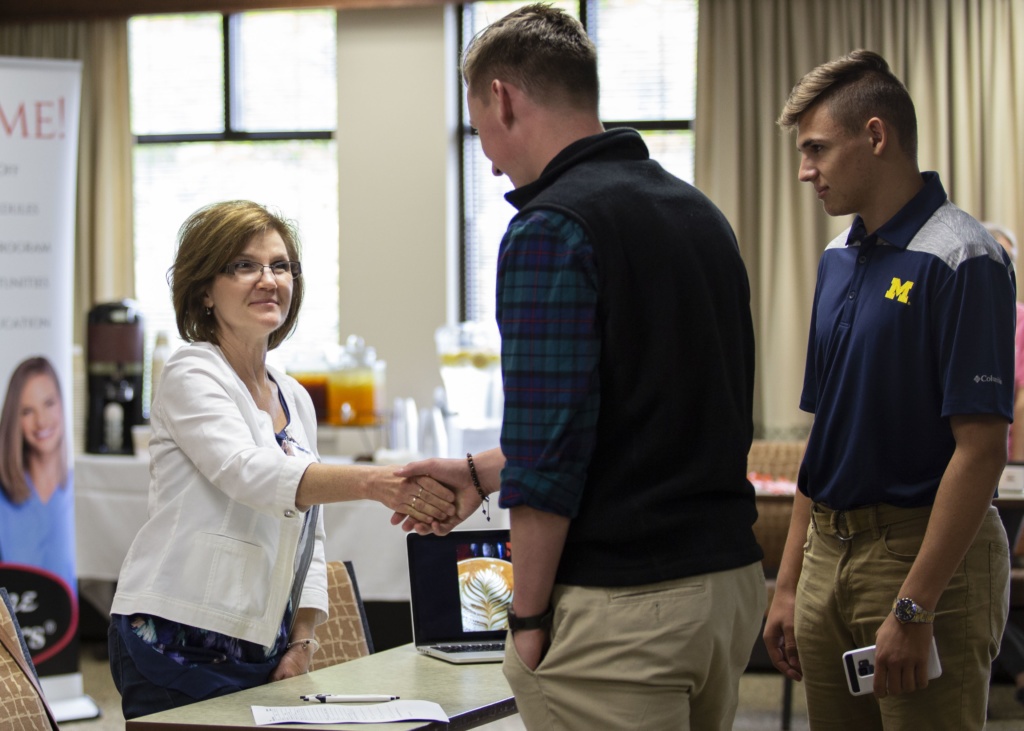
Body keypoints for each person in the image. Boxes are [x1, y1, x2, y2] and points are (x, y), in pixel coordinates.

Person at [393, 6, 765, 729]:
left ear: (502, 97)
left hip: (624, 604)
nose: (492, 162)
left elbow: (553, 457)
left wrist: (526, 619)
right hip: (724, 587)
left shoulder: (550, 228)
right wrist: (477, 473)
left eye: (480, 136)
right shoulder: (698, 213)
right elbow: (642, 413)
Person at [107, 200, 456, 719]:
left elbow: (309, 534)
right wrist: (373, 483)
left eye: (281, 266)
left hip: (262, 645)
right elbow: (250, 473)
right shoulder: (190, 373)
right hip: (174, 637)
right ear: (204, 289)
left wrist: (303, 639)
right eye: (245, 265)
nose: (269, 279)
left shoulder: (293, 395)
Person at [765, 50, 1014, 730]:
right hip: (827, 554)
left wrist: (914, 604)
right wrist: (789, 584)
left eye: (816, 149)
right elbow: (826, 431)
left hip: (920, 556)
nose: (803, 170)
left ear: (875, 136)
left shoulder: (964, 257)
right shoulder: (837, 260)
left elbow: (982, 450)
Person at [0, 356, 76, 595]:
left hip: (75, 628)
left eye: (49, 403)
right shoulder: (4, 496)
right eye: (27, 411)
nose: (41, 420)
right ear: (15, 419)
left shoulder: (82, 489)